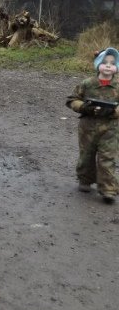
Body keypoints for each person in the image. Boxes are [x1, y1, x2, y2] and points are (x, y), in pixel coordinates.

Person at [65, 47, 119, 204]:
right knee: (86, 155)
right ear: (97, 64)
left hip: (111, 128)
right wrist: (84, 107)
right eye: (104, 62)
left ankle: (108, 189)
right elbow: (71, 100)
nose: (108, 66)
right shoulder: (87, 84)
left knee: (107, 158)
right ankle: (85, 180)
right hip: (88, 126)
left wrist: (114, 111)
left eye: (112, 63)